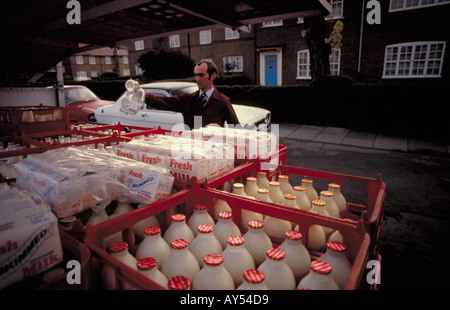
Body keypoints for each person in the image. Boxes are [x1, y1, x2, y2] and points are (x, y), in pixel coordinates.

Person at [144, 60, 240, 129]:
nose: (197, 79)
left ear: (213, 76)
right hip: (192, 149)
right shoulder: (187, 99)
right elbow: (162, 102)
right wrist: (143, 95)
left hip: (213, 151)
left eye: (201, 75)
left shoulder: (223, 101)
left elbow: (236, 128)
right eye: (196, 75)